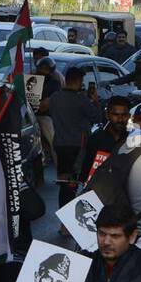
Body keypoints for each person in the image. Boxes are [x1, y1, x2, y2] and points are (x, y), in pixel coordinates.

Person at [50, 66, 104, 202]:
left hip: (60, 144)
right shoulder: (81, 100)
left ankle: (63, 210)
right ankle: (71, 211)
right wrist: (96, 102)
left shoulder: (55, 98)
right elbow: (97, 117)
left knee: (64, 182)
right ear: (78, 80)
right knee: (75, 181)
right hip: (77, 145)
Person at [77, 95, 131, 184]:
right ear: (107, 115)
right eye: (115, 115)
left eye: (124, 115)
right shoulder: (95, 139)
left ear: (129, 116)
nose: (120, 119)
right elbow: (85, 171)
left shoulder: (133, 140)